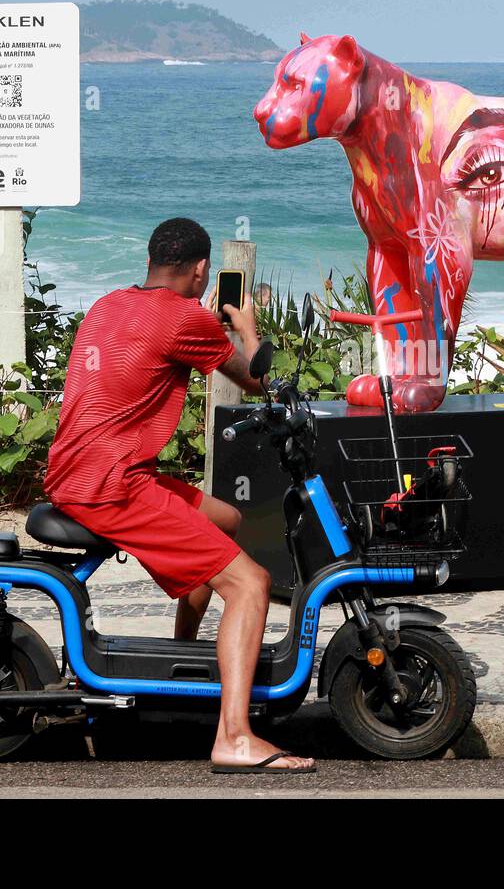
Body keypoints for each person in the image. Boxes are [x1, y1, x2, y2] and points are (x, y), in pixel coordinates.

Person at [43, 217, 315, 774]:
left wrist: (203, 323)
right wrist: (248, 327)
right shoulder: (183, 319)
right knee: (251, 584)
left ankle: (185, 657)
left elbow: (151, 344)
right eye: (203, 273)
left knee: (225, 519)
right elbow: (256, 379)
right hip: (110, 487)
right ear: (199, 270)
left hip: (78, 471)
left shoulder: (106, 305)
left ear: (150, 262)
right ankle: (234, 737)